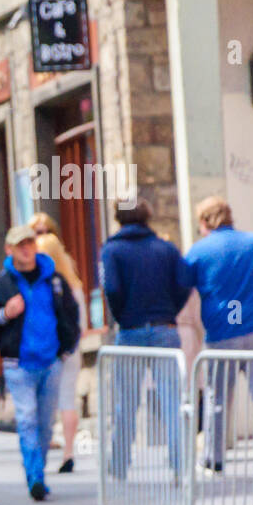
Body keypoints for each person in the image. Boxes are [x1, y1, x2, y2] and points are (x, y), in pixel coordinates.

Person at [0, 225, 81, 501]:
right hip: (17, 364)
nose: (26, 248)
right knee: (28, 419)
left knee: (45, 423)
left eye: (29, 243)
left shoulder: (54, 281)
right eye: (19, 244)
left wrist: (66, 349)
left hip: (51, 362)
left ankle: (38, 470)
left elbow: (72, 316)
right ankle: (35, 476)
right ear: (9, 249)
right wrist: (3, 314)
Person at [184, 196, 253, 473]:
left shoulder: (198, 251)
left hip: (222, 333)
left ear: (204, 222)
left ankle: (214, 459)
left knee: (217, 399)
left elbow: (183, 290)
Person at [99, 198, 192, 478]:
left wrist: (122, 316)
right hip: (165, 327)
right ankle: (180, 468)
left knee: (125, 402)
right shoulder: (166, 249)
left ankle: (119, 467)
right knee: (172, 401)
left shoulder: (112, 250)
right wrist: (169, 311)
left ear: (117, 217)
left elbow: (112, 289)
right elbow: (184, 283)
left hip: (130, 330)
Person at [35, 232, 87, 473]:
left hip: (46, 350)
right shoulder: (73, 285)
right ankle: (68, 452)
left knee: (43, 400)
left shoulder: (39, 285)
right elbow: (82, 324)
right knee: (68, 399)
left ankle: (42, 451)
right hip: (71, 349)